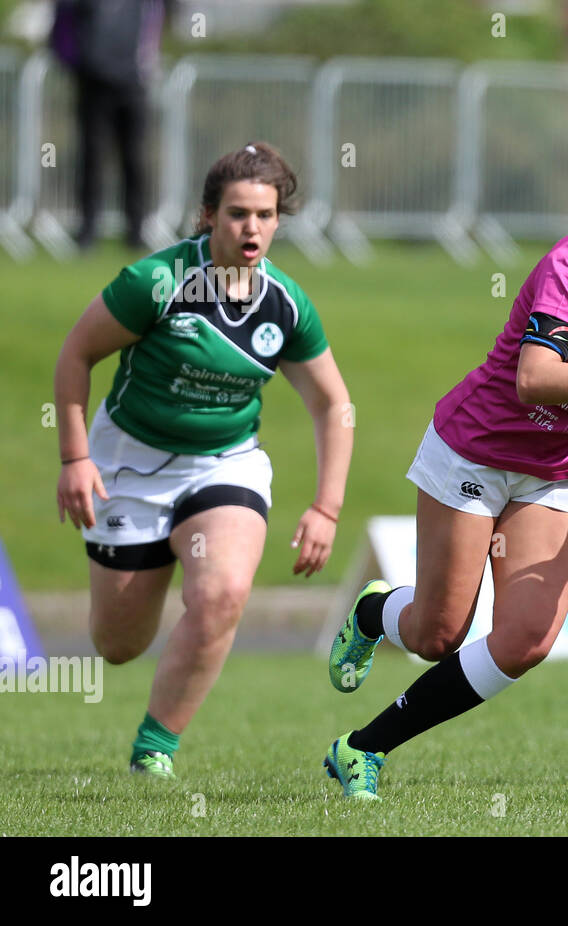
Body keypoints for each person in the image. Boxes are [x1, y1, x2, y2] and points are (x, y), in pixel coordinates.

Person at [321, 130, 568, 801]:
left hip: (561, 466)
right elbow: (534, 378)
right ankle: (374, 614)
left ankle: (363, 748)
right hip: (477, 447)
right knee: (437, 634)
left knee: (526, 640)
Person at [54, 142, 353, 779]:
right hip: (127, 464)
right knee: (117, 644)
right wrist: (75, 457)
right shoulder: (156, 283)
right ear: (209, 215)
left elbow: (334, 405)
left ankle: (155, 748)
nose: (252, 229)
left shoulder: (286, 304)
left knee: (223, 593)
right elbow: (76, 355)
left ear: (279, 220)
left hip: (224, 464)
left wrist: (327, 507)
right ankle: (158, 548)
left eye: (265, 215)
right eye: (238, 213)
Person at [50, 0, 176, 250]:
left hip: (133, 84)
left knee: (135, 159)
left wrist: (147, 66)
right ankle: (87, 230)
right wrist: (77, 64)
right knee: (92, 159)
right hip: (93, 83)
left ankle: (136, 231)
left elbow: (159, 22)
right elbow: (62, 27)